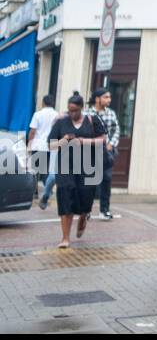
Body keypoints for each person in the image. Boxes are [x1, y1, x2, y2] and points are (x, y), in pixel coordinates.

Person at [48, 93, 105, 249]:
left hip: (87, 166)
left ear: (82, 108)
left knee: (86, 198)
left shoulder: (92, 120)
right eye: (69, 110)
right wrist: (64, 140)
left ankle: (84, 215)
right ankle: (65, 238)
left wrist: (82, 141)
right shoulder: (61, 123)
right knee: (65, 196)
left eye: (75, 110)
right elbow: (50, 145)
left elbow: (102, 139)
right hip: (65, 166)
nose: (72, 113)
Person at [90, 87, 120, 220]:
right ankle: (86, 210)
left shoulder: (111, 113)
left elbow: (116, 130)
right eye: (106, 97)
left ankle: (104, 210)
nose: (109, 100)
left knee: (106, 181)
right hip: (90, 151)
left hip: (106, 151)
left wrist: (111, 144)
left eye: (109, 97)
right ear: (97, 99)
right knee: (89, 181)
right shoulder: (87, 113)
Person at [27, 94, 58, 209]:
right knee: (47, 170)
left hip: (38, 145)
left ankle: (34, 192)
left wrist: (29, 144)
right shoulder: (57, 115)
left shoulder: (38, 114)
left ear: (43, 103)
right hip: (50, 146)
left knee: (34, 170)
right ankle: (47, 192)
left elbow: (32, 131)